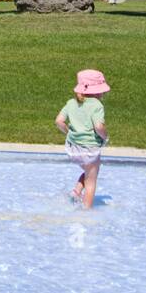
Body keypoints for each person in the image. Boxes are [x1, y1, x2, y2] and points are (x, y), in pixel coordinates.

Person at [55, 69, 110, 208]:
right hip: (89, 149)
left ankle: (76, 191)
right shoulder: (97, 105)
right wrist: (106, 137)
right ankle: (86, 211)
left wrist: (68, 133)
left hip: (72, 149)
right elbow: (98, 126)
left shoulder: (71, 103)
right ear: (97, 91)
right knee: (91, 180)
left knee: (88, 170)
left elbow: (59, 121)